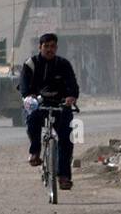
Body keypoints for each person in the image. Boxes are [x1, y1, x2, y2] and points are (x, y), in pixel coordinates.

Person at [18, 32, 80, 190]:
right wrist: (29, 96)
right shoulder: (30, 64)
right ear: (40, 47)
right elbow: (24, 86)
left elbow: (72, 84)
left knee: (66, 138)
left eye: (52, 46)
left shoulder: (63, 64)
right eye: (46, 46)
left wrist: (71, 97)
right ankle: (35, 152)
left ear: (56, 48)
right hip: (37, 105)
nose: (49, 49)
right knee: (32, 120)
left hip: (60, 105)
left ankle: (64, 176)